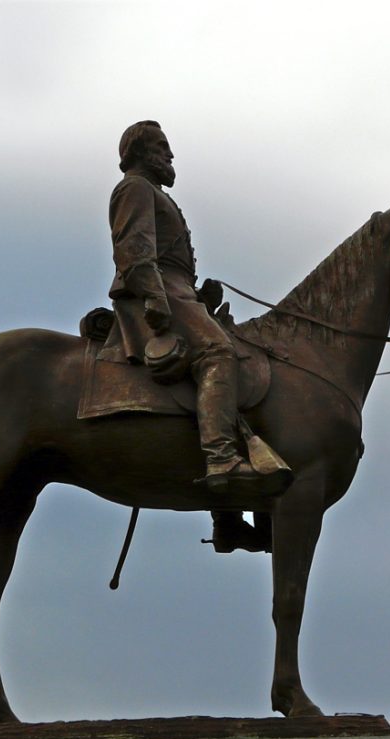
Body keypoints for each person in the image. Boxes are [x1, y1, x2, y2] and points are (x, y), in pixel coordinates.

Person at [106, 120, 267, 494]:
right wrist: (156, 296)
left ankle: (226, 514)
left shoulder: (152, 191)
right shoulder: (135, 188)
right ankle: (221, 456)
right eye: (162, 146)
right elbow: (135, 249)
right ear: (139, 152)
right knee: (218, 353)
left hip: (179, 290)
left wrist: (197, 293)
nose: (170, 154)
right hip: (161, 290)